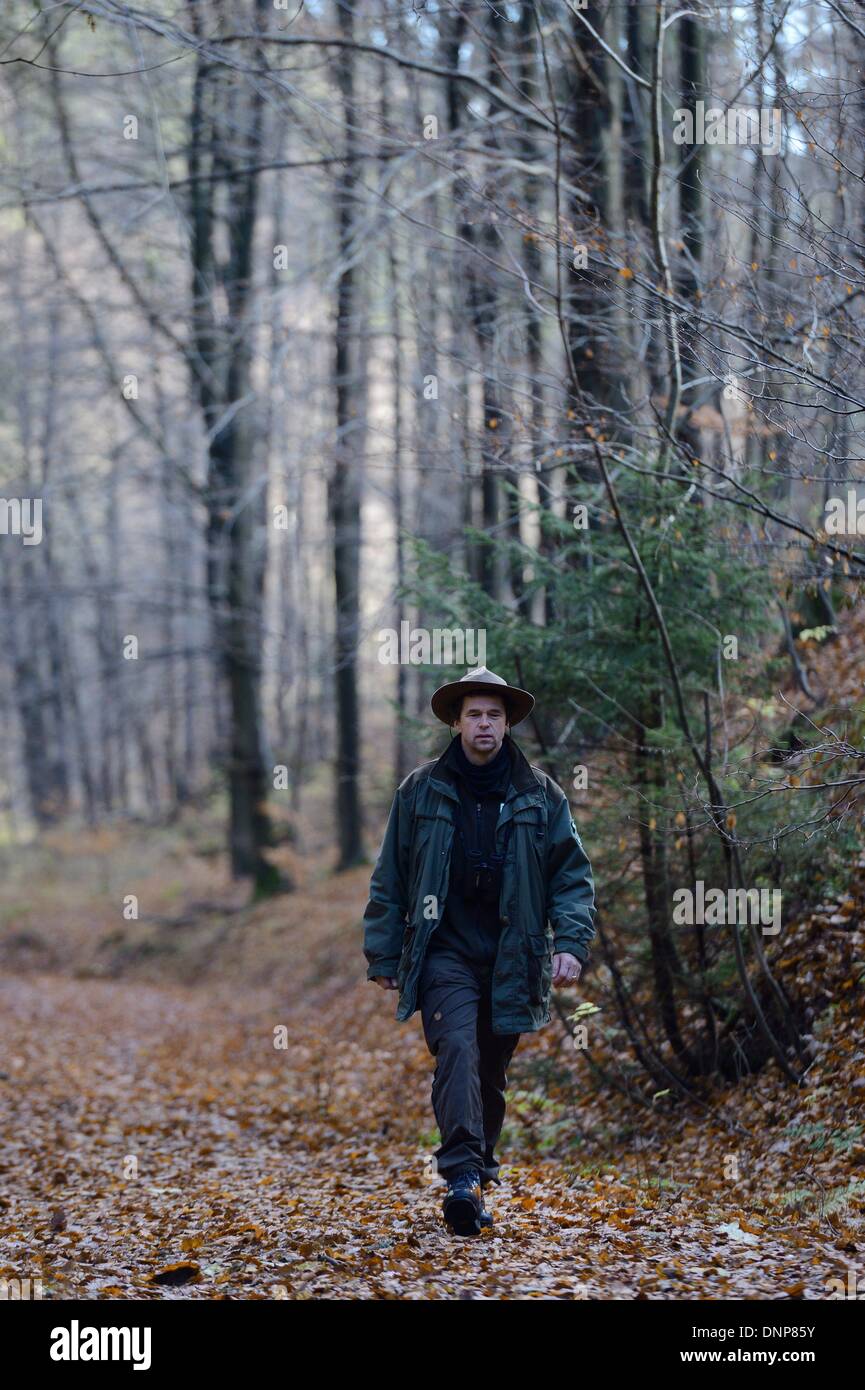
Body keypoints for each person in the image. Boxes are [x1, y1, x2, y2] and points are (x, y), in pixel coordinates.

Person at [362, 666, 596, 1236]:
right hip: (444, 952)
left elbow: (571, 876)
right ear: (457, 722)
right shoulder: (421, 790)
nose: (484, 724)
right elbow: (390, 876)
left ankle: (480, 1164)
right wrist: (384, 954)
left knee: (491, 1071)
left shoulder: (540, 794)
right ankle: (462, 1177)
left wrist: (570, 941)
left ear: (507, 722)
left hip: (512, 955)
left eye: (494, 714)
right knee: (459, 1050)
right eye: (474, 714)